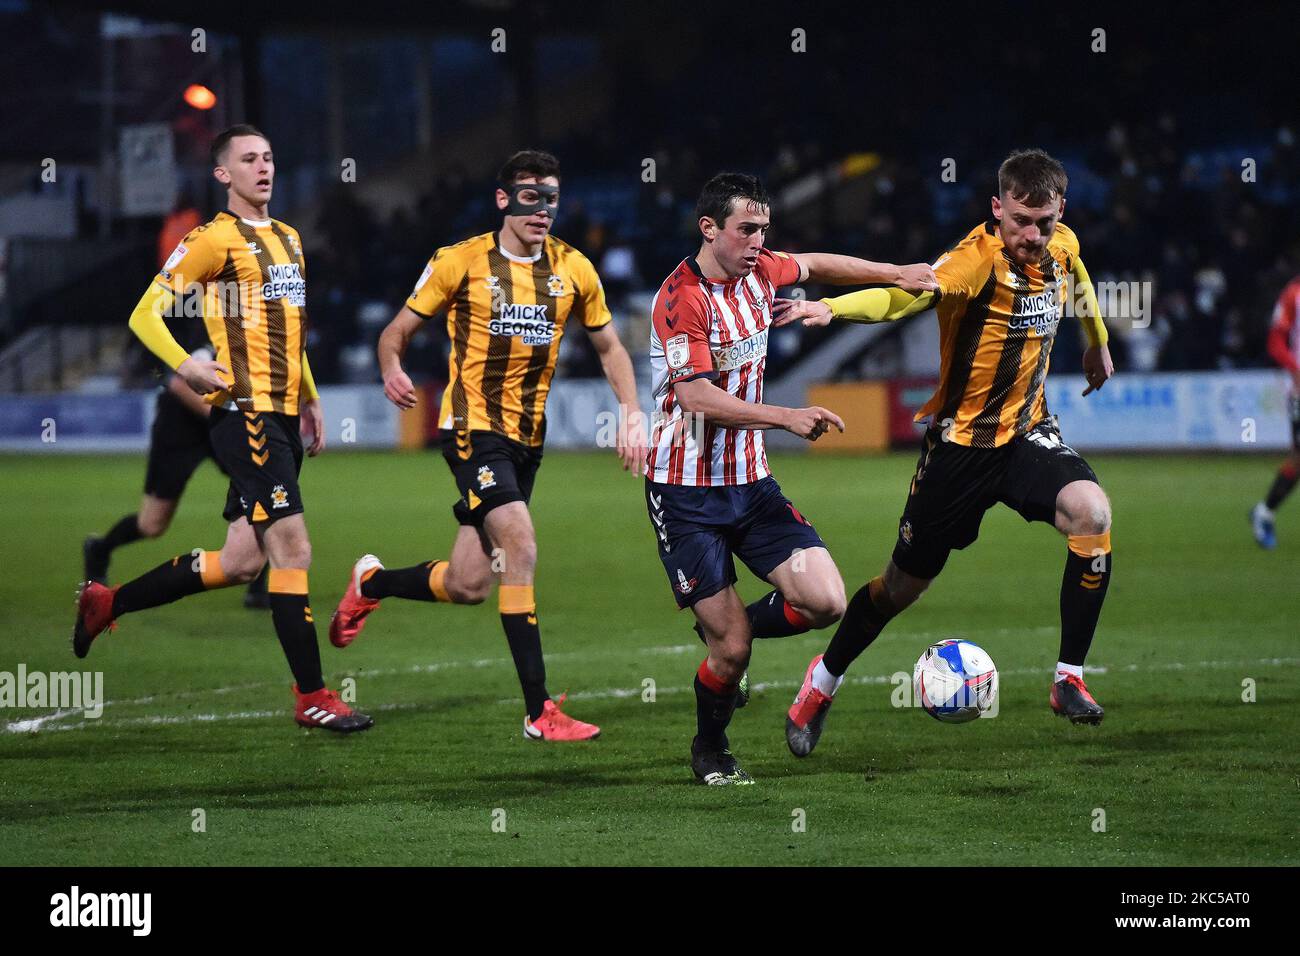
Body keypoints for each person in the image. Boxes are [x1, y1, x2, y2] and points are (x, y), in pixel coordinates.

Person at [775, 148, 1115, 757]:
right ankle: (821, 683)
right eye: (1019, 222)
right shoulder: (973, 261)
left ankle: (1068, 679)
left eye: (1043, 222)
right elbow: (905, 297)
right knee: (899, 589)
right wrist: (831, 306)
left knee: (1091, 512)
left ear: (1060, 212)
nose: (1032, 236)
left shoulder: (1062, 244)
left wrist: (1097, 342)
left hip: (1026, 436)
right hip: (959, 451)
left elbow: (1080, 276)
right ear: (997, 207)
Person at [329, 150, 639, 741]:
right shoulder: (460, 262)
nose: (541, 210)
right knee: (519, 547)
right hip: (473, 430)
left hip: (528, 441)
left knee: (469, 584)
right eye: (529, 197)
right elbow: (394, 332)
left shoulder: (574, 269)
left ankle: (371, 583)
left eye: (550, 198)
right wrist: (390, 365)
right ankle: (539, 712)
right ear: (503, 200)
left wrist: (631, 413)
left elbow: (610, 349)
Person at [72, 124, 371, 733]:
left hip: (284, 412)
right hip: (245, 414)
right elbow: (144, 313)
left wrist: (309, 397)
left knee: (239, 563)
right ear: (222, 174)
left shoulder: (288, 238)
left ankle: (109, 602)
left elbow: (289, 332)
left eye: (269, 157)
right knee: (294, 549)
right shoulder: (212, 240)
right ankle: (312, 695)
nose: (263, 168)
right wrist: (184, 362)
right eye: (248, 160)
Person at [645, 171, 937, 785]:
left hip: (751, 484)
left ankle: (727, 632)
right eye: (746, 229)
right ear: (709, 228)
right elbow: (695, 397)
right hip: (685, 491)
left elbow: (821, 263)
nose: (758, 241)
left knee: (825, 600)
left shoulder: (762, 272)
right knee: (731, 651)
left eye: (763, 230)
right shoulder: (680, 299)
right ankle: (711, 747)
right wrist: (784, 416)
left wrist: (896, 273)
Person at [1248, 274, 1300, 548]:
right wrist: (1295, 369)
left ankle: (1263, 512)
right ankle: (1264, 512)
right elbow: (1275, 342)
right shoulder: (1293, 294)